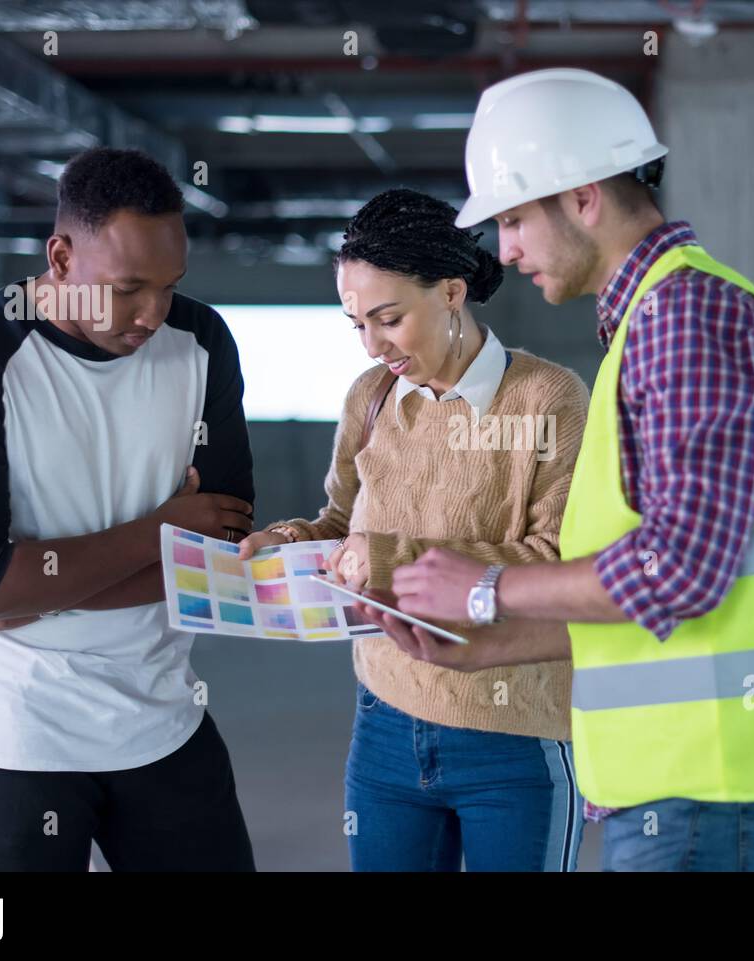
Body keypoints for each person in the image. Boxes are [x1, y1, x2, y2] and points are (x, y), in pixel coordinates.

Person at [359, 69, 754, 872]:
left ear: (583, 196)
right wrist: (497, 645)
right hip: (689, 780)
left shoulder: (686, 317)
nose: (507, 249)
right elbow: (655, 592)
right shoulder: (649, 323)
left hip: (711, 780)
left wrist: (483, 588)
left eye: (516, 218)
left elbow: (683, 568)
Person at [0, 146, 257, 871]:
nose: (152, 313)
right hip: (10, 727)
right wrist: (163, 530)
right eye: (128, 287)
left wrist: (36, 586)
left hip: (158, 711)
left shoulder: (201, 342)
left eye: (168, 286)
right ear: (61, 257)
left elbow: (224, 540)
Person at [237, 188, 588, 872]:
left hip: (510, 727)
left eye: (389, 318)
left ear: (452, 292)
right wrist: (286, 539)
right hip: (385, 724)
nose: (373, 344)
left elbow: (559, 562)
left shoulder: (550, 398)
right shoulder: (369, 397)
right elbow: (340, 523)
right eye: (356, 324)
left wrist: (392, 560)